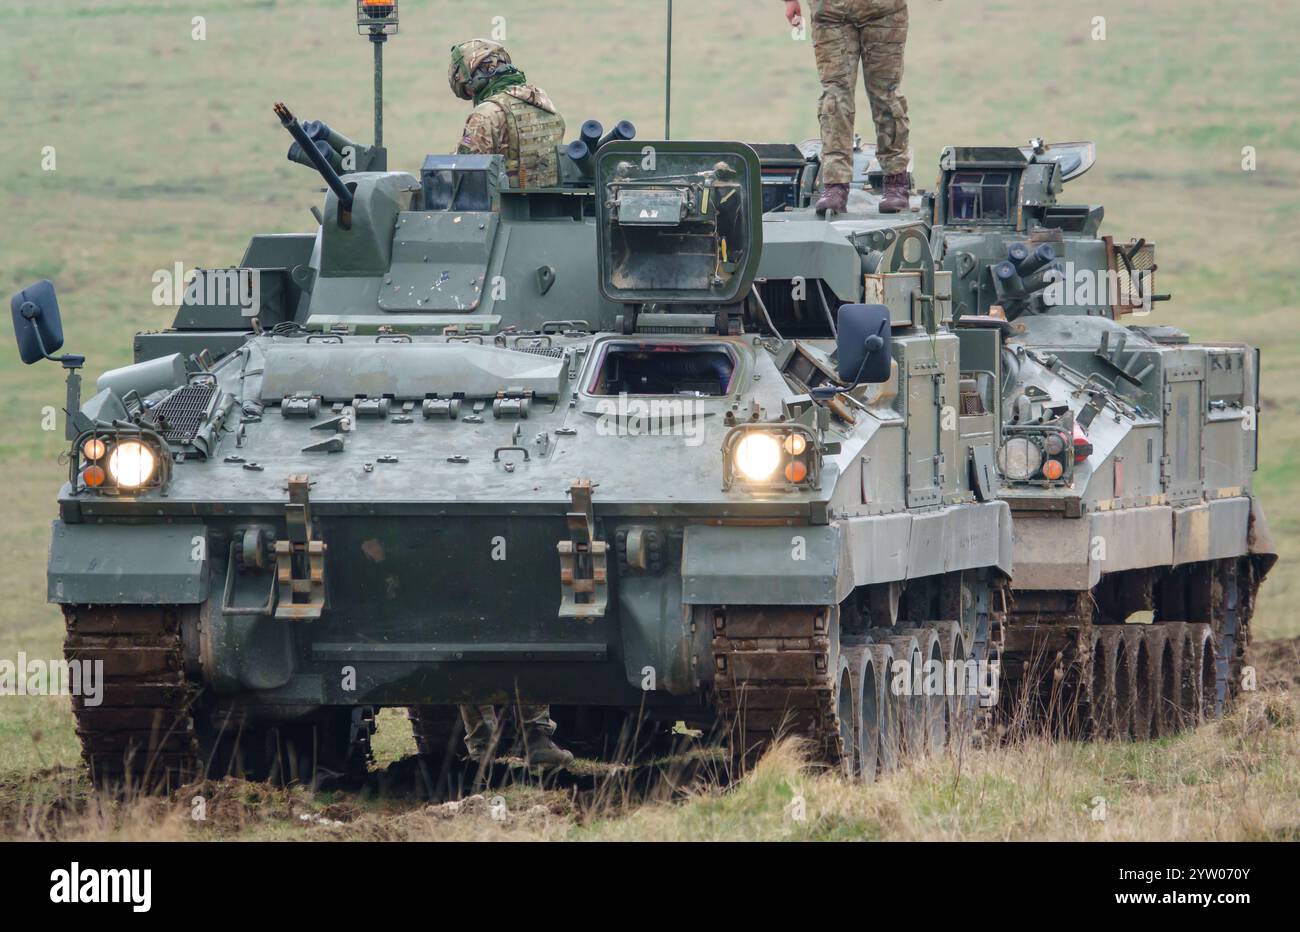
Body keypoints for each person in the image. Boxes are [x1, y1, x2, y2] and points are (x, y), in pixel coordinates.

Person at [443, 42, 573, 770]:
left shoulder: (487, 118)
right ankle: (514, 735)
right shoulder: (544, 107)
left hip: (492, 261)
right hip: (540, 264)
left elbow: (465, 192)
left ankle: (491, 740)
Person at [783, 0, 912, 215]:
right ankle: (835, 185)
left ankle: (896, 181)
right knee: (834, 98)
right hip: (831, 13)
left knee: (886, 96)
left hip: (884, 11)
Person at [448, 38, 566, 190]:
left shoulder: (486, 115)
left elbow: (464, 174)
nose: (471, 94)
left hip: (506, 210)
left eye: (468, 89)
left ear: (475, 80)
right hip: (550, 208)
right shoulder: (542, 102)